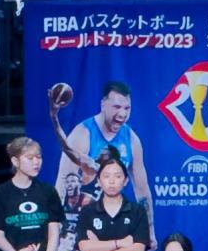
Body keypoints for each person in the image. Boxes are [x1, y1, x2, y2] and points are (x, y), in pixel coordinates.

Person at [48, 79, 152, 209]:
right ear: (103, 105)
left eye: (127, 108)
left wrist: (150, 228)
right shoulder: (83, 134)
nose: (122, 114)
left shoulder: (132, 140)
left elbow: (142, 191)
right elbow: (62, 184)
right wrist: (57, 226)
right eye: (117, 107)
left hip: (110, 219)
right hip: (82, 219)